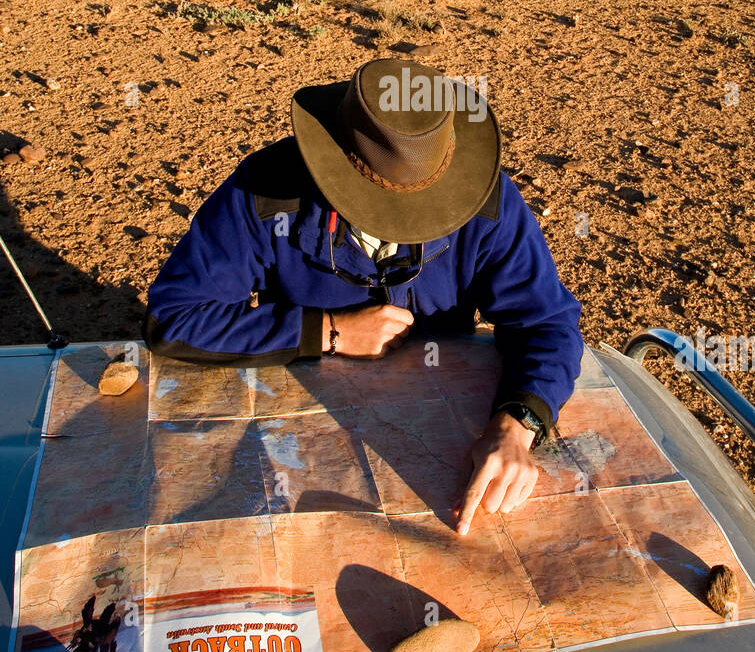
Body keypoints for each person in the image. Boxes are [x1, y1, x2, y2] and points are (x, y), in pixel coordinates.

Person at [143, 58, 583, 535]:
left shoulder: (488, 202)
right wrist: (328, 332)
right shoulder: (266, 187)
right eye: (389, 204)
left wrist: (517, 423)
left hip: (435, 434)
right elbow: (176, 317)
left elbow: (546, 323)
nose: (404, 219)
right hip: (295, 430)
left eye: (420, 204)